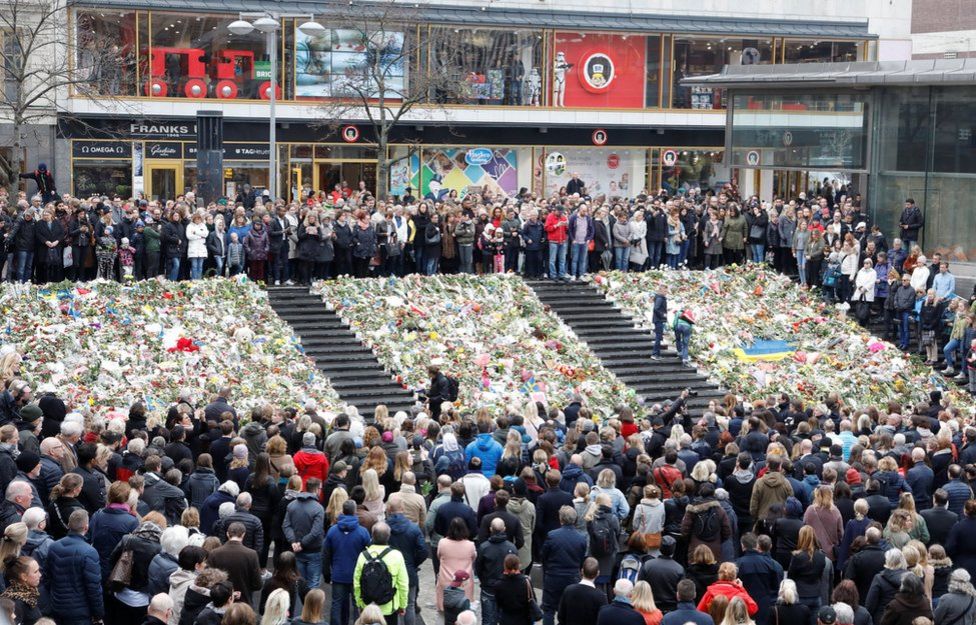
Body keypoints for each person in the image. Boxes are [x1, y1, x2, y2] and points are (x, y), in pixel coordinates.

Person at [45, 509, 103, 625]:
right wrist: (98, 614)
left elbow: (47, 577)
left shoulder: (53, 546)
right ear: (86, 527)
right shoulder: (89, 552)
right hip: (80, 612)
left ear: (68, 525)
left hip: (57, 606)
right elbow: (94, 588)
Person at [324, 499, 371, 625]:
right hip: (357, 575)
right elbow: (370, 554)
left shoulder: (332, 531)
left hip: (338, 574)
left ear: (343, 511)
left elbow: (326, 555)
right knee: (357, 605)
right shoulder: (363, 532)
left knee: (337, 604)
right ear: (354, 511)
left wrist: (327, 574)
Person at [353, 522, 409, 625]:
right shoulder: (397, 555)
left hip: (369, 608)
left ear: (372, 536)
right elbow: (403, 584)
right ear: (388, 536)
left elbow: (357, 583)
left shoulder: (363, 556)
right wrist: (402, 604)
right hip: (389, 607)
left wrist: (360, 603)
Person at [541, 505, 587, 625]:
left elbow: (543, 555)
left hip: (553, 575)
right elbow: (581, 559)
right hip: (572, 577)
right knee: (570, 609)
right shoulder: (581, 538)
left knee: (548, 609)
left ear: (560, 519)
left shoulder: (552, 535)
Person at [206, 522, 261, 608]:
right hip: (243, 603)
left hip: (220, 603)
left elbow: (208, 580)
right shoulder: (252, 554)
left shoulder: (214, 553)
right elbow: (257, 584)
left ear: (227, 534)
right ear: (243, 535)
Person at [282, 477, 325, 588]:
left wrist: (293, 542)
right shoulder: (318, 508)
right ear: (317, 489)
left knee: (299, 582)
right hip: (314, 551)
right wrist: (301, 543)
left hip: (297, 550)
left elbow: (286, 525)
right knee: (313, 584)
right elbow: (316, 532)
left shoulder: (292, 505)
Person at [476, 517, 518, 625]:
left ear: (490, 529)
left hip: (488, 587)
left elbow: (478, 568)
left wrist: (484, 580)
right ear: (504, 529)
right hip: (506, 588)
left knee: (488, 620)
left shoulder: (484, 548)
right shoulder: (512, 548)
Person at [557, 557, 607, 625]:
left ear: (582, 571)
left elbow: (561, 616)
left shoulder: (568, 590)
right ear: (598, 573)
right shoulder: (600, 596)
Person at [494, 553, 537, 625]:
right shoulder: (526, 582)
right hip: (524, 619)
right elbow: (533, 599)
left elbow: (498, 604)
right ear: (518, 565)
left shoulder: (498, 584)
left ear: (505, 566)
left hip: (506, 619)